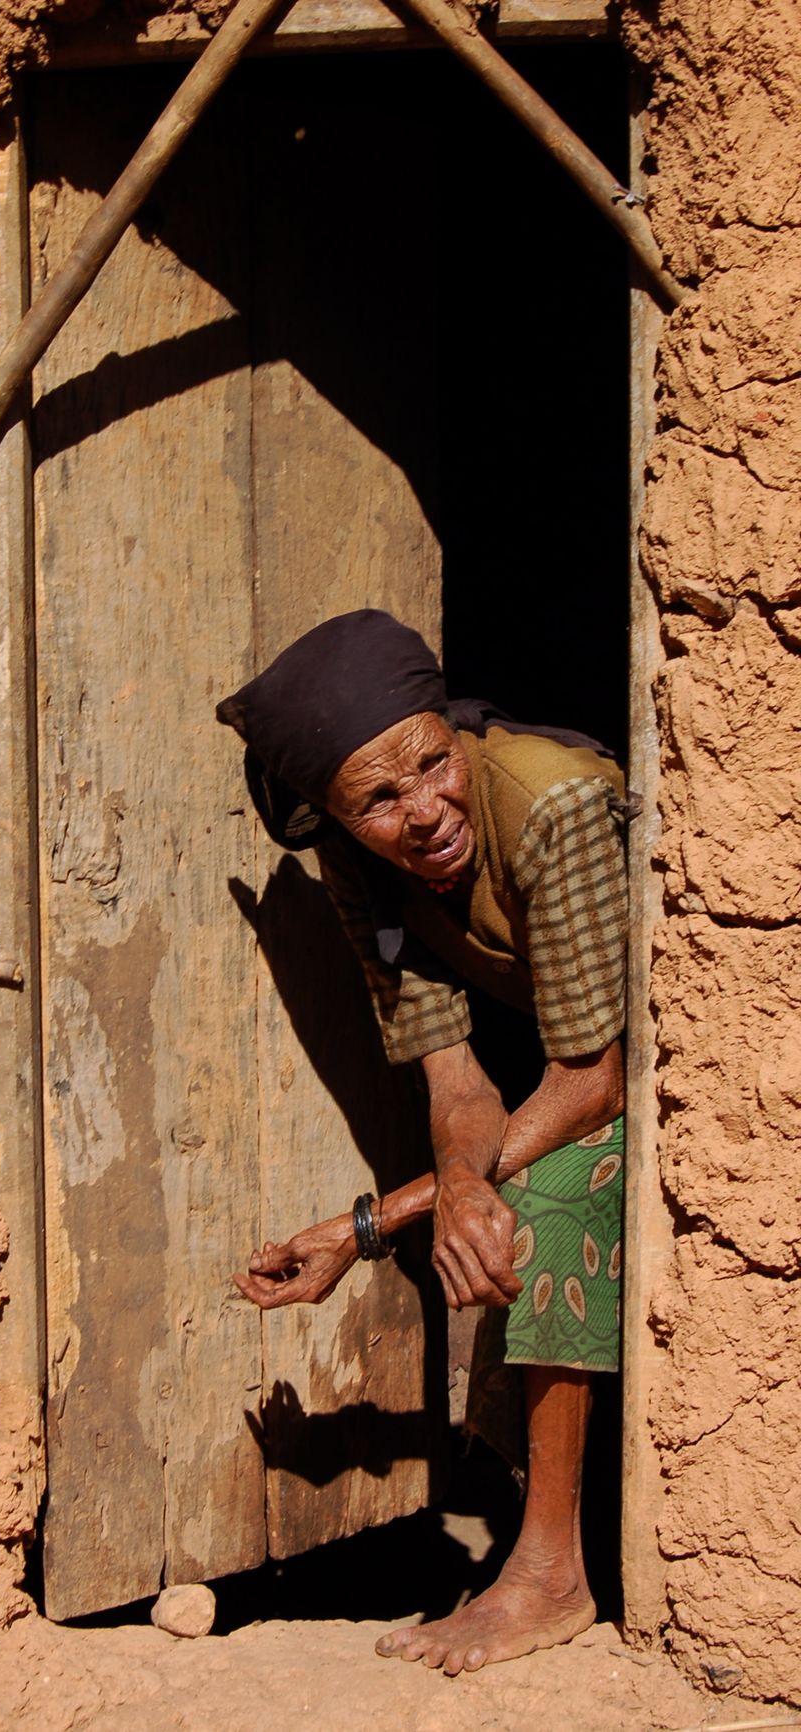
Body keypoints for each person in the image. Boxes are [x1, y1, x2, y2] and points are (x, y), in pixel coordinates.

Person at [217, 609, 629, 1675]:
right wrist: (450, 1182)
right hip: (584, 1071)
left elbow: (592, 1083)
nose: (426, 813)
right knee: (494, 1187)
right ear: (336, 817)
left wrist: (372, 1224)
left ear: (454, 732)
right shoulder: (359, 867)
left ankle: (551, 1573)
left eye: (434, 765)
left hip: (676, 1069)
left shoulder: (551, 807)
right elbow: (456, 1080)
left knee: (555, 1186)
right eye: (379, 800)